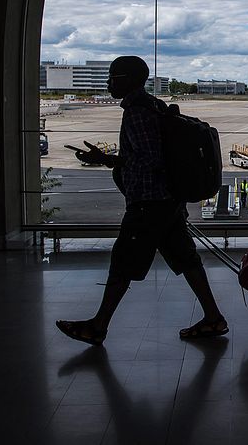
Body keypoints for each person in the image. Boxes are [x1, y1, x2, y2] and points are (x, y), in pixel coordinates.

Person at [56, 56, 227, 346]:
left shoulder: (137, 112)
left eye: (113, 77)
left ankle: (98, 326)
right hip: (168, 200)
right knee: (186, 259)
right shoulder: (156, 106)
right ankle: (213, 317)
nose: (108, 82)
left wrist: (107, 159)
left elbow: (149, 158)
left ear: (128, 79)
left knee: (123, 261)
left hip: (149, 202)